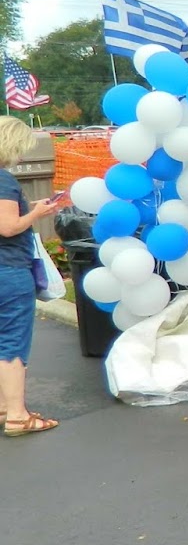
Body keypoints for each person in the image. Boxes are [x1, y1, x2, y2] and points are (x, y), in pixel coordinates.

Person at [0, 118, 64, 437]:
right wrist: (37, 214)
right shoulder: (3, 181)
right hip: (8, 271)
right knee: (12, 343)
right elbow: (8, 227)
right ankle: (17, 416)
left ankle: (3, 406)